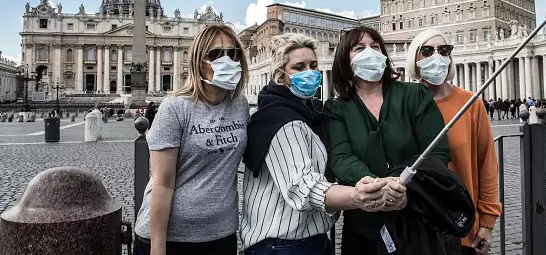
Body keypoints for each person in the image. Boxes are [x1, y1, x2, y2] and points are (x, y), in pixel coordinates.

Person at [241, 34, 390, 255]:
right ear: (281, 76)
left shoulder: (310, 112)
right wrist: (357, 196)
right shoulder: (282, 122)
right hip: (283, 244)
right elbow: (305, 187)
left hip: (308, 238)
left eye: (313, 65)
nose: (309, 72)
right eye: (298, 67)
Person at [324, 26, 450, 255]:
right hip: (362, 228)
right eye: (359, 48)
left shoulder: (415, 95)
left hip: (416, 223)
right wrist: (378, 187)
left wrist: (406, 191)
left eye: (375, 46)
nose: (369, 52)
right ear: (345, 58)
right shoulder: (336, 108)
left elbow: (437, 152)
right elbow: (341, 158)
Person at [134, 24, 250, 255]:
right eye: (216, 54)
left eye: (233, 53)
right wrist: (158, 248)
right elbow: (162, 184)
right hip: (173, 238)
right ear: (199, 62)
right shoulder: (175, 108)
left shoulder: (240, 105)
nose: (226, 60)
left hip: (221, 233)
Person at [406, 29, 502, 255]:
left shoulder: (471, 103)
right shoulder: (404, 102)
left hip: (462, 225)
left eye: (444, 50)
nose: (436, 56)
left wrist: (487, 222)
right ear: (415, 58)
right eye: (427, 51)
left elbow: (486, 164)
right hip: (416, 227)